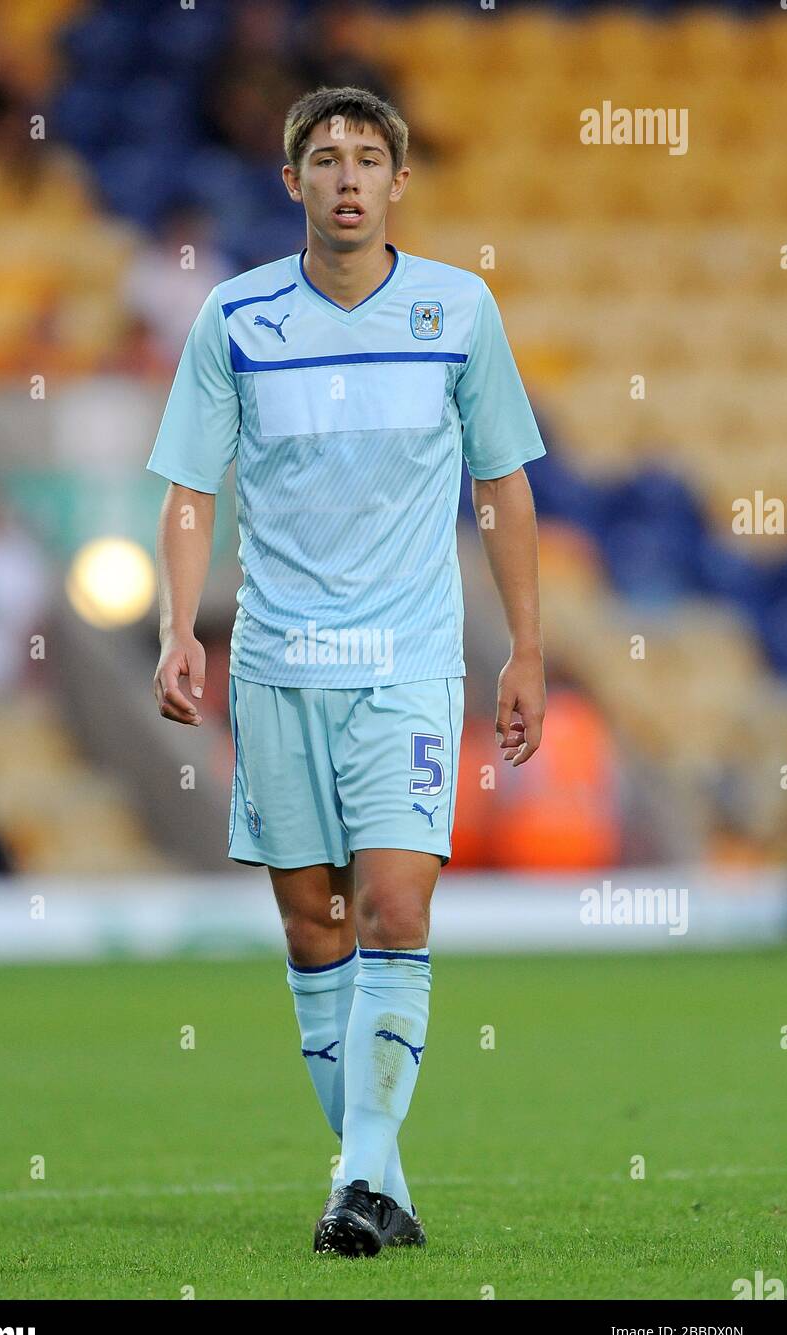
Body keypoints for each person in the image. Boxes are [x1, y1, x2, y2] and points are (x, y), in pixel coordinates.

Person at [147, 86, 546, 1257]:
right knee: (314, 929)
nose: (348, 178)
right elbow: (187, 489)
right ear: (293, 185)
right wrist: (179, 625)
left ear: (399, 183)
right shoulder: (234, 318)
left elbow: (504, 485)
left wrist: (526, 646)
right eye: (324, 159)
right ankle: (378, 1184)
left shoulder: (457, 310)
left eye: (368, 158)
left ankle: (353, 1183)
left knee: (393, 906)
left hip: (409, 663)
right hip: (275, 664)